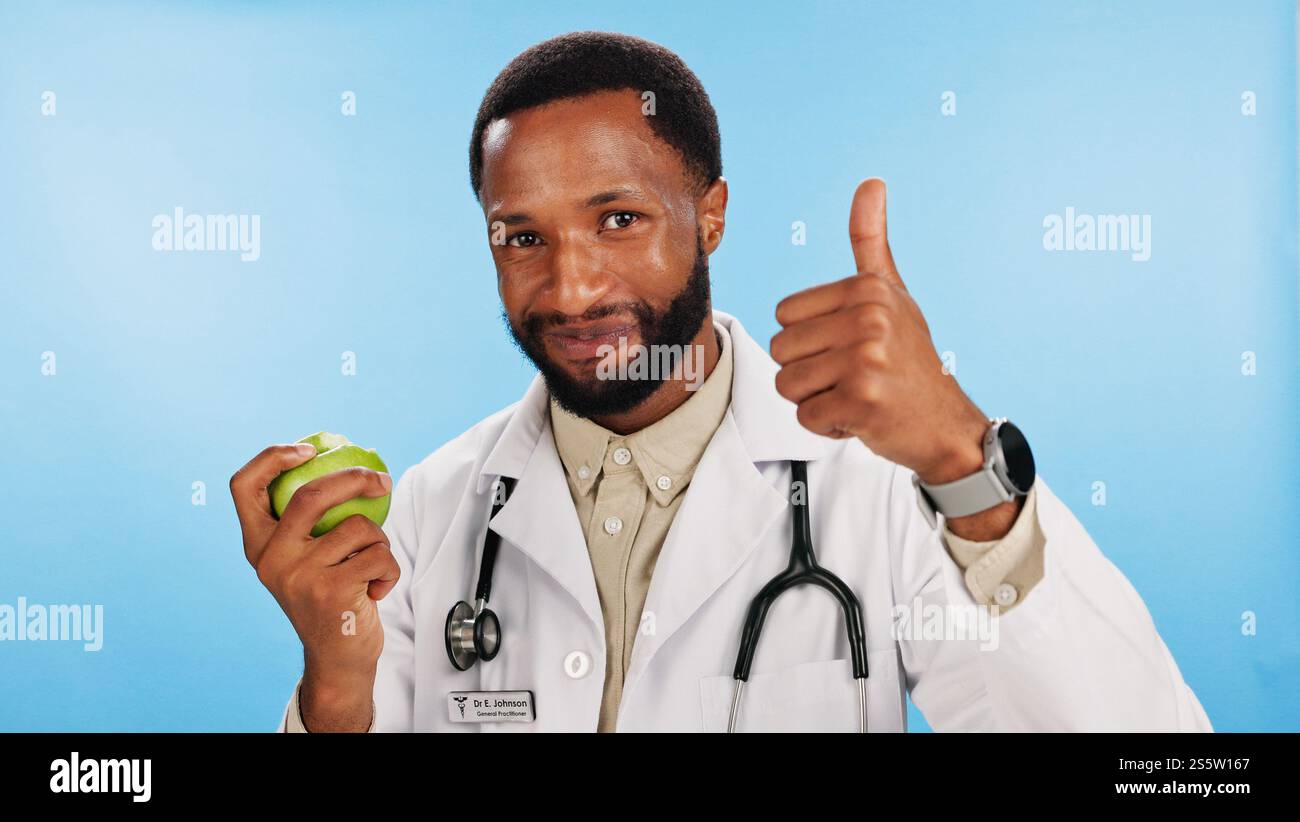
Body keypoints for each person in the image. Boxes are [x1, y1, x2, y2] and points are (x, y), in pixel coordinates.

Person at [229, 31, 1211, 732]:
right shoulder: (434, 508)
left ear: (711, 215)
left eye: (618, 218)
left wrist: (966, 463)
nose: (569, 287)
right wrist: (335, 698)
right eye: (522, 237)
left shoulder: (879, 488)